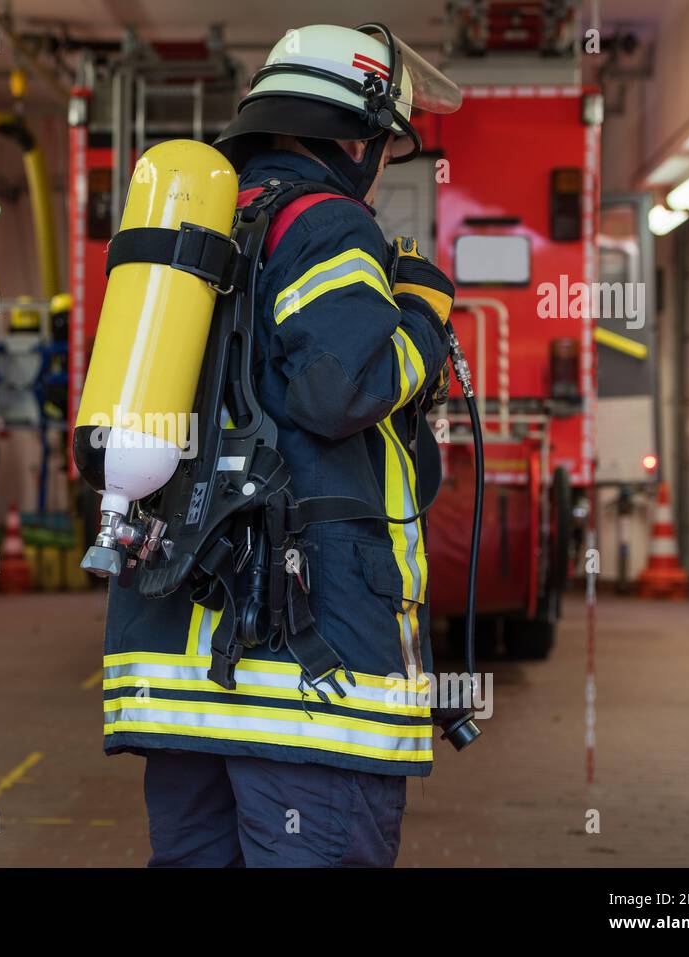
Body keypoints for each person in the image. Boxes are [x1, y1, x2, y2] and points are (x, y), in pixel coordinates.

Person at [101, 22, 463, 867]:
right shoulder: (328, 225)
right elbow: (340, 390)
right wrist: (423, 317)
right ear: (357, 137)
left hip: (175, 674)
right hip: (305, 678)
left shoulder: (195, 233)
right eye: (384, 147)